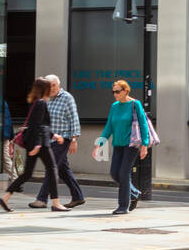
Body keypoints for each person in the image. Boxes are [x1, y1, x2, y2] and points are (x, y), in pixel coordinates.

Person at [0, 78, 65, 212]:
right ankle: (56, 203)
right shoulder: (41, 103)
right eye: (49, 86)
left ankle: (5, 198)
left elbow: (39, 125)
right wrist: (38, 145)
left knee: (27, 174)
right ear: (44, 89)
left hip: (35, 142)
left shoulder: (36, 102)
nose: (52, 89)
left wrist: (54, 136)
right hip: (41, 144)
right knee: (52, 171)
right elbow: (38, 126)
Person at [94, 79, 150, 215]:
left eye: (117, 91)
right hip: (118, 144)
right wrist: (99, 144)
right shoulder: (114, 106)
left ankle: (123, 206)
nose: (115, 94)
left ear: (126, 91)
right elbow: (108, 127)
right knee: (114, 173)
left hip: (131, 145)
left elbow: (143, 125)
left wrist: (144, 145)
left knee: (124, 174)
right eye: (113, 92)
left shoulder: (135, 104)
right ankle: (134, 192)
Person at [32, 74, 85, 209]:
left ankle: (42, 199)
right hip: (49, 140)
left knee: (51, 167)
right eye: (49, 86)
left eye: (54, 85)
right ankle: (78, 196)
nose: (52, 88)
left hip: (63, 139)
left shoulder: (67, 98)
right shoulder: (46, 99)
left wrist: (74, 139)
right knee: (63, 170)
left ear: (59, 85)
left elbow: (74, 119)